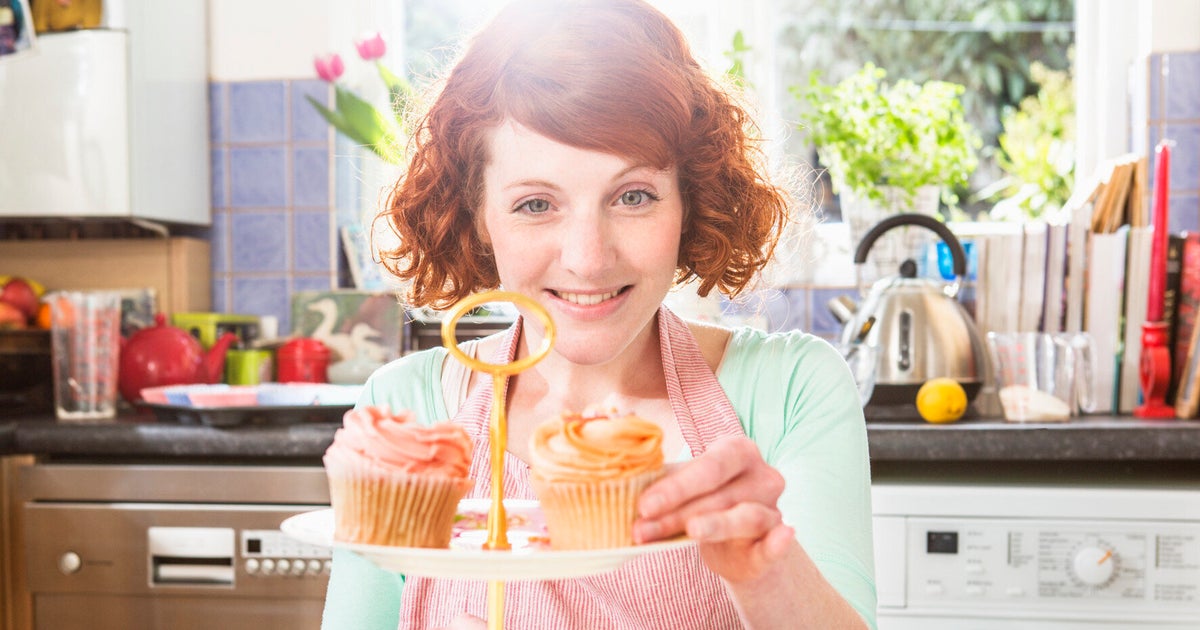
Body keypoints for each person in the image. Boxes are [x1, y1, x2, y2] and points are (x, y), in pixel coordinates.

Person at [321, 0, 876, 628]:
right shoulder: (405, 418)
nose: (588, 259)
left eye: (633, 196)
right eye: (536, 204)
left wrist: (766, 568)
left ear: (690, 201)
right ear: (476, 214)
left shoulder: (792, 389)